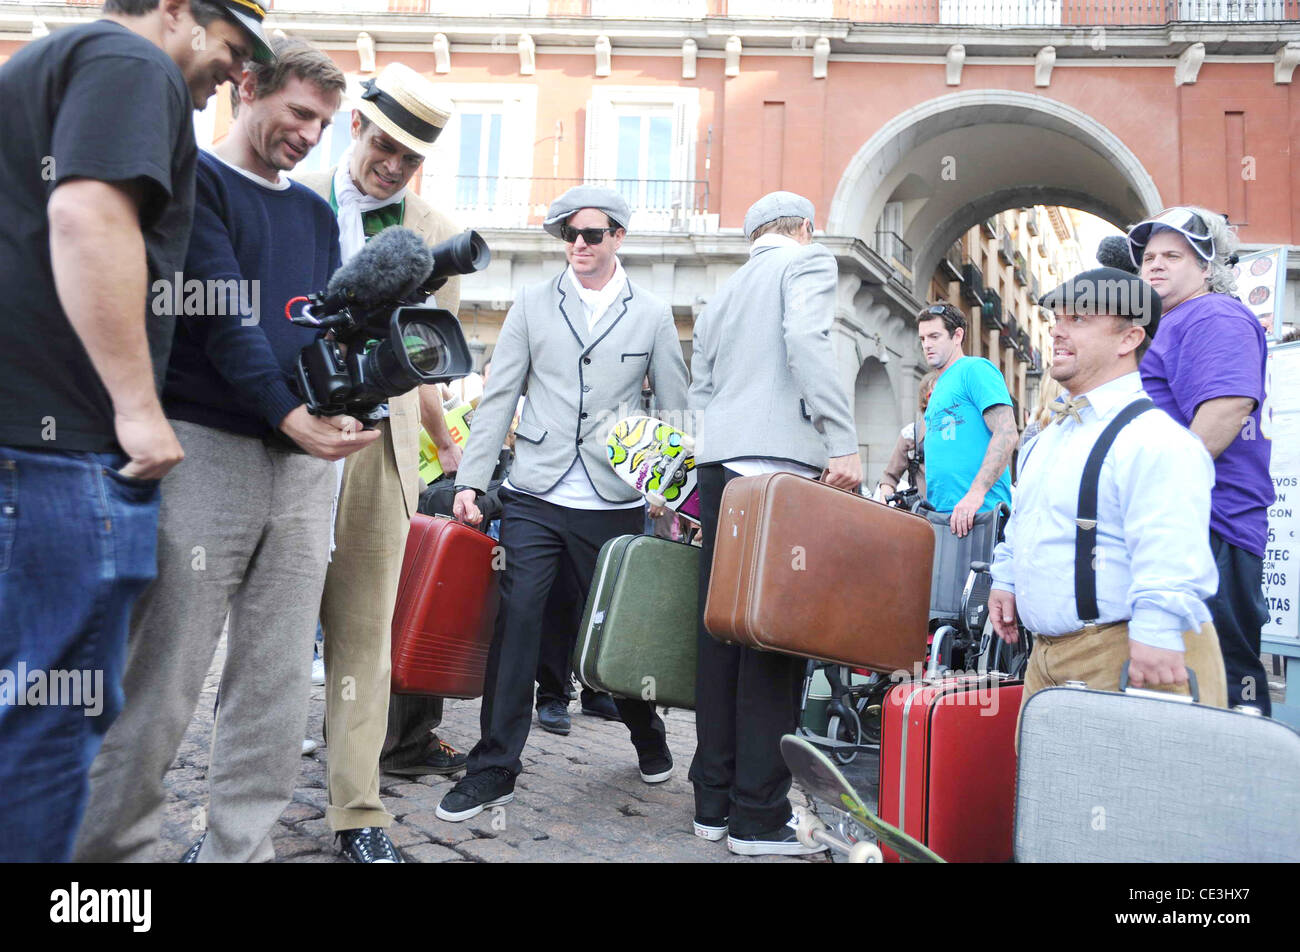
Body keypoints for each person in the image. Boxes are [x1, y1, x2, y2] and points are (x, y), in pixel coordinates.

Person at [75, 39, 377, 864]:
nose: (312, 135)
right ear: (248, 88)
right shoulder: (195, 184)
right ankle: (110, 860)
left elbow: (314, 327)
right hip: (207, 452)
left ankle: (237, 851)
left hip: (304, 465)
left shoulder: (316, 215)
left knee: (276, 682)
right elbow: (222, 318)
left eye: (324, 122)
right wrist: (291, 416)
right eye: (298, 114)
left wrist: (345, 403)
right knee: (164, 675)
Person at [0, 0, 272, 863]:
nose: (236, 76)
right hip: (59, 453)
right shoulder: (132, 63)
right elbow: (89, 217)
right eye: (232, 48)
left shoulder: (52, 66)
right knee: (45, 726)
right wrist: (135, 406)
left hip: (28, 445)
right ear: (175, 11)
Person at [435, 186, 689, 822]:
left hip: (614, 501)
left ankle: (648, 735)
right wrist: (470, 480)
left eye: (592, 234)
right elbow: (499, 398)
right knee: (517, 621)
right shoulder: (530, 304)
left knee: (612, 632)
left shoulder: (653, 314)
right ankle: (494, 766)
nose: (579, 244)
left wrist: (673, 493)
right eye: (569, 234)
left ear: (618, 238)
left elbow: (676, 407)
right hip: (534, 494)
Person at [294, 62, 470, 862]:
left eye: (410, 156)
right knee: (267, 637)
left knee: (364, 642)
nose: (392, 164)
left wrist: (442, 441)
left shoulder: (433, 228)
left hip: (378, 450)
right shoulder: (294, 198)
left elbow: (424, 355)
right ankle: (238, 814)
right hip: (285, 435)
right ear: (356, 126)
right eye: (385, 143)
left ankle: (359, 816)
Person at [688, 191, 861, 856]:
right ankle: (759, 820)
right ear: (804, 228)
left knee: (720, 636)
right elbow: (805, 340)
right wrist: (842, 439)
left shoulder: (724, 291)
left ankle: (715, 804)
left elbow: (700, 389)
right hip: (776, 467)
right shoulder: (808, 262)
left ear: (752, 234)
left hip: (717, 466)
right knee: (772, 641)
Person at [989, 268, 1227, 709]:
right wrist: (1006, 579)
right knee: (1043, 779)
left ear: (1128, 339)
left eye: (1078, 319)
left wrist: (1157, 629)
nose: (1057, 331)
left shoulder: (1154, 437)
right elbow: (1028, 519)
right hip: (1045, 660)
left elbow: (1169, 541)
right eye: (1057, 319)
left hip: (1129, 652)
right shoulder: (1048, 436)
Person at [1130, 207, 1275, 714]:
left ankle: (1246, 788)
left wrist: (1168, 498)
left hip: (1212, 524)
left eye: (1173, 255)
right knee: (1189, 682)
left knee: (1225, 684)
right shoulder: (1171, 322)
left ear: (1207, 264)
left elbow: (1227, 408)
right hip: (1190, 525)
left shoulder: (1210, 313)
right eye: (1148, 257)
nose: (1155, 266)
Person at [917, 303, 1017, 538]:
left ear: (957, 335)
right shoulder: (938, 385)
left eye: (934, 336)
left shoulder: (975, 369)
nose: (927, 345)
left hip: (981, 516)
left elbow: (1007, 433)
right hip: (942, 518)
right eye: (922, 338)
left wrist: (975, 493)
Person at [877, 370, 938, 503]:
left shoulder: (962, 432)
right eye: (934, 395)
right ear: (924, 401)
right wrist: (883, 508)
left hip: (958, 515)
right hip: (923, 515)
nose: (940, 400)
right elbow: (890, 477)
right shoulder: (911, 435)